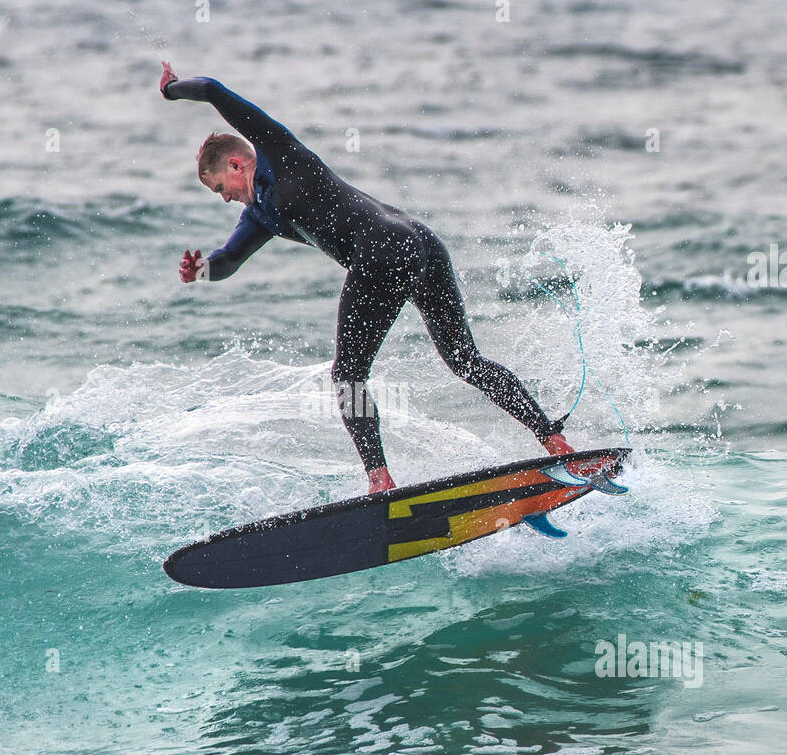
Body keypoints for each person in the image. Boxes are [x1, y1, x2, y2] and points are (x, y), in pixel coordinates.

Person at [160, 62, 575, 493]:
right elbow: (229, 258)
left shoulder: (278, 151)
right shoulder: (262, 213)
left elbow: (211, 89)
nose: (224, 198)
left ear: (234, 163)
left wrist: (171, 90)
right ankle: (553, 439)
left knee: (349, 374)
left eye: (219, 188)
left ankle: (380, 481)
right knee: (464, 359)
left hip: (384, 250)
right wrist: (202, 271)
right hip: (420, 244)